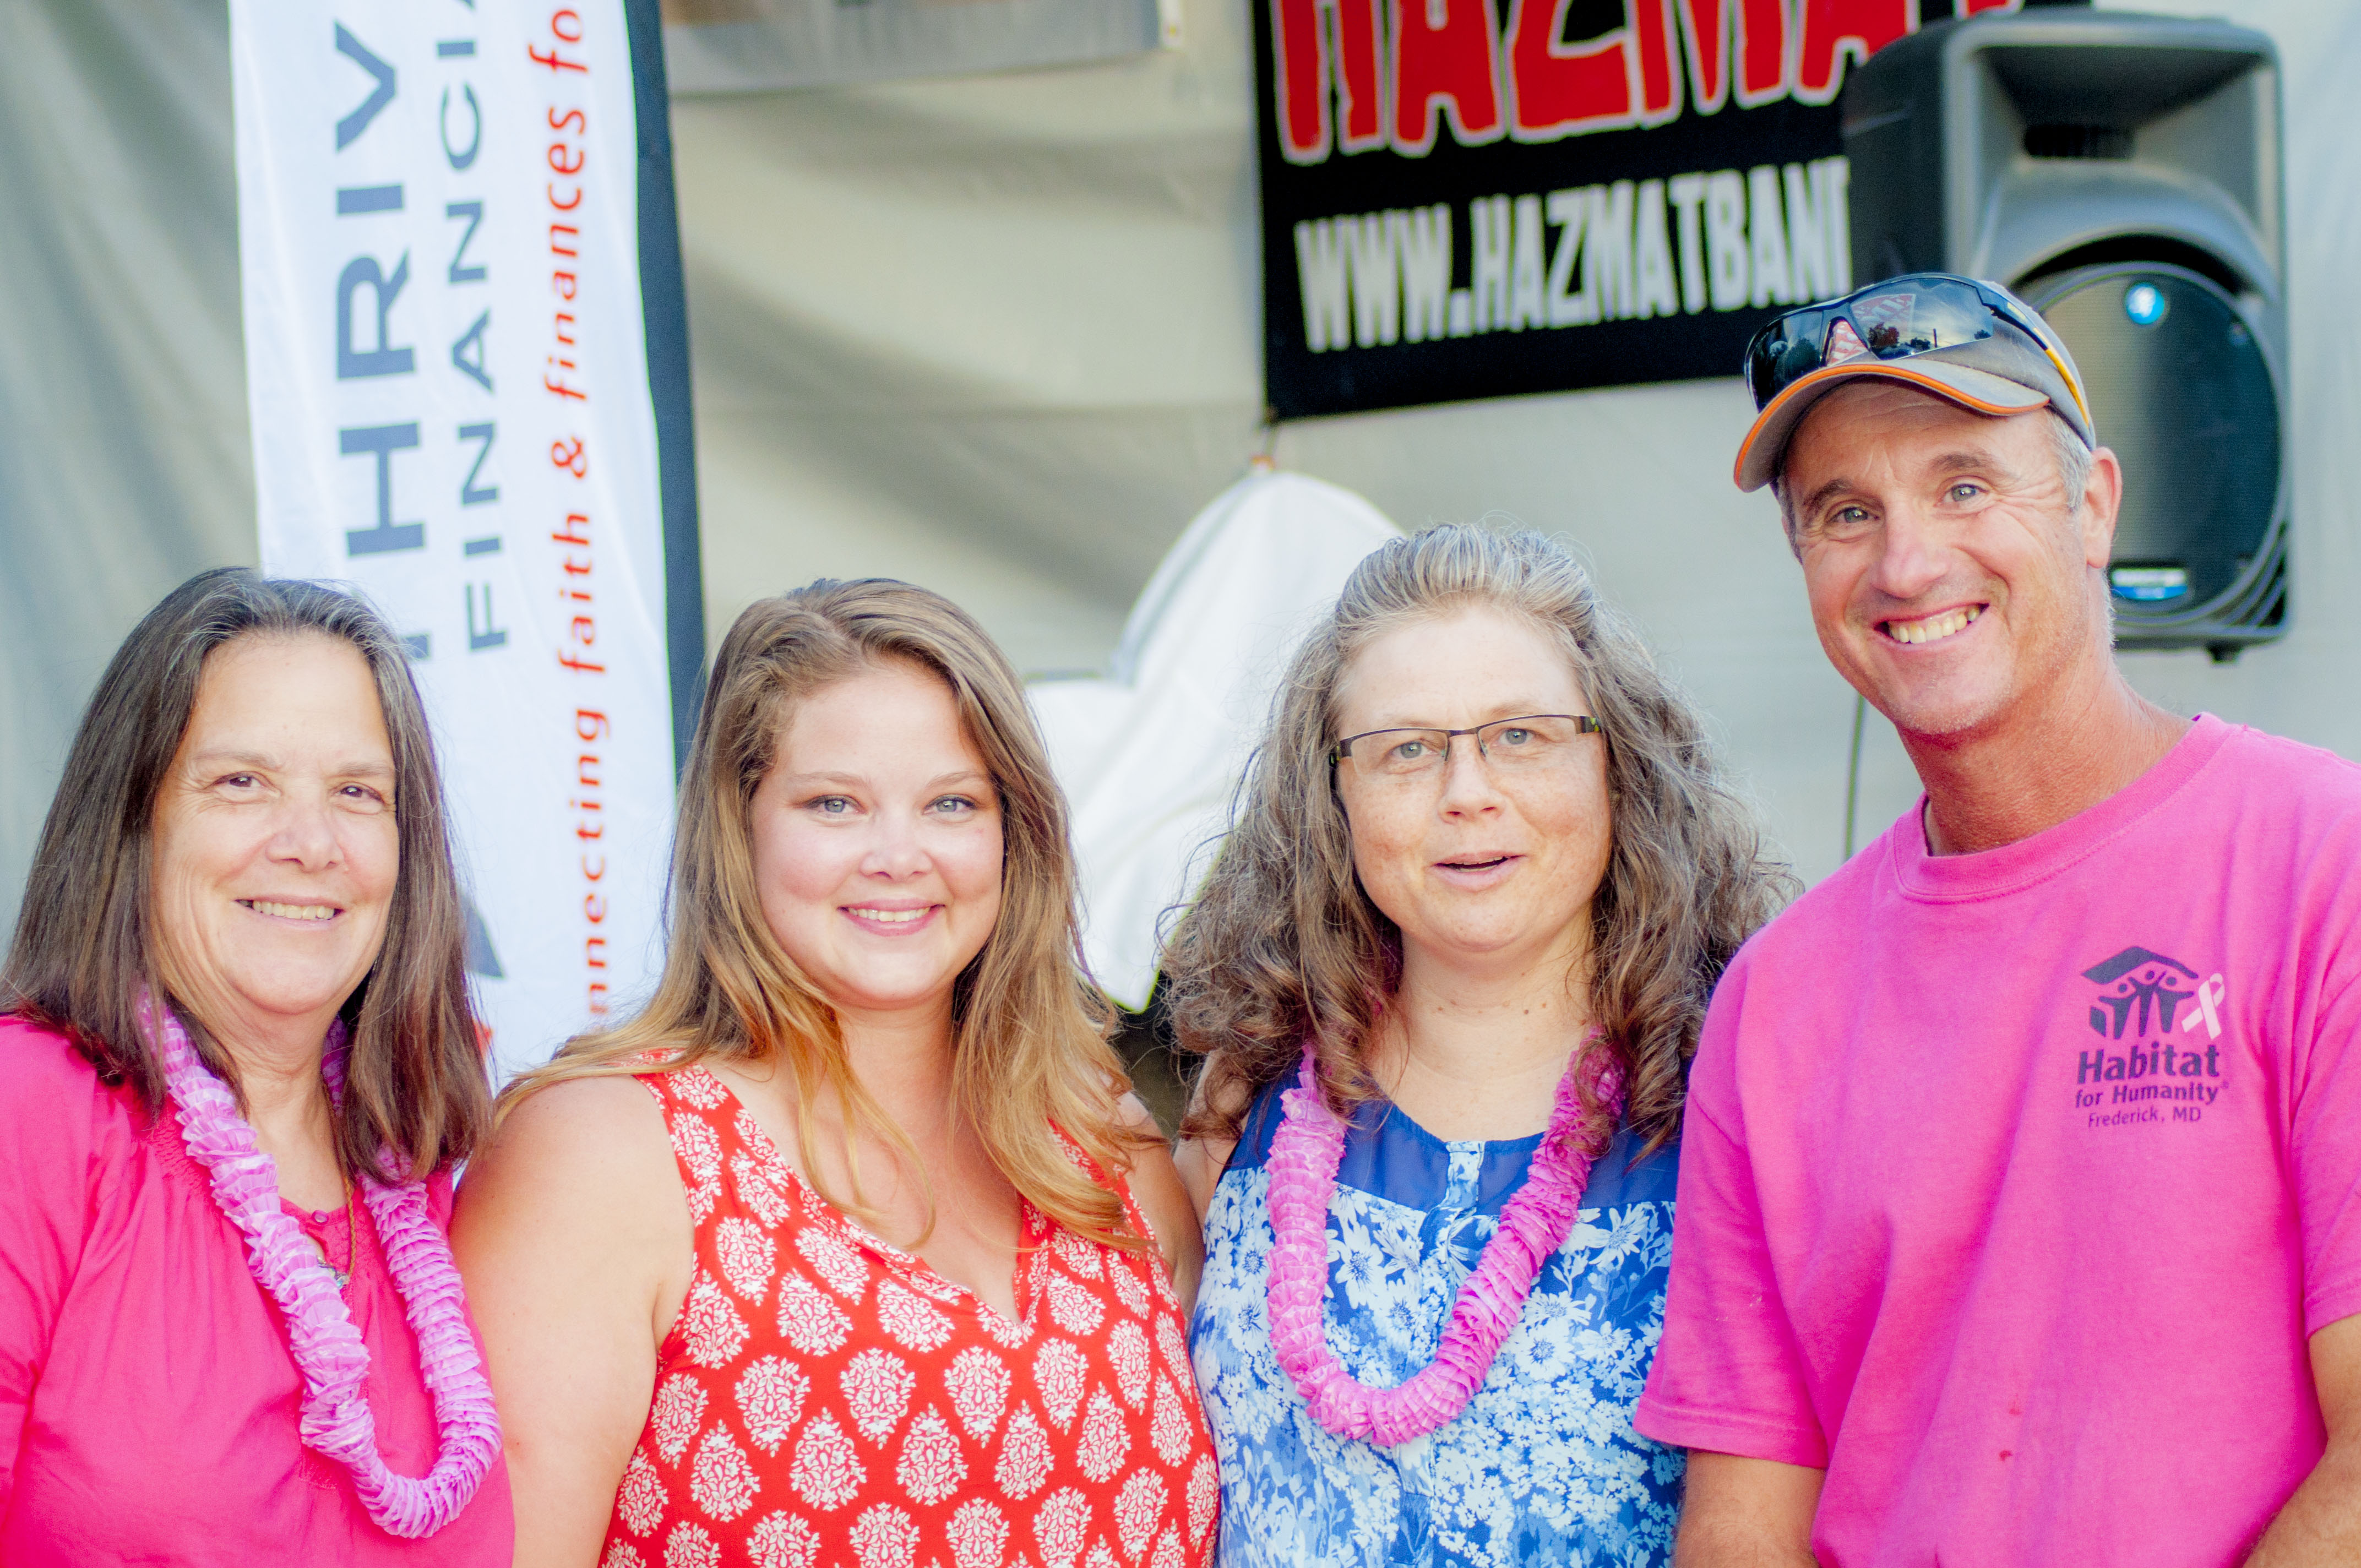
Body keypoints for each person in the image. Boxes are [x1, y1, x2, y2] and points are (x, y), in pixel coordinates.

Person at [1637, 273, 2361, 1565]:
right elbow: (1743, 1526)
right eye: (1844, 511)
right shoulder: (1775, 998)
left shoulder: (2320, 861)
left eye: (1964, 483)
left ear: (2089, 508)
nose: (1906, 561)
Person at [453, 579, 1220, 1568]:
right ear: (741, 827)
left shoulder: (1095, 1127)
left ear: (1011, 834)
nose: (898, 856)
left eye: (951, 802)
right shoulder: (602, 1155)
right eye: (834, 804)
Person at [1164, 525, 1794, 1567]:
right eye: (1406, 748)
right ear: (1334, 798)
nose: (1467, 792)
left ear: (1617, 762)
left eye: (1522, 735)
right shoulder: (1249, 1087)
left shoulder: (1730, 1089)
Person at [0, 569, 511, 1562]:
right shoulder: (30, 1108)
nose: (310, 843)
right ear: (136, 821)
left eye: (358, 794)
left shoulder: (428, 1179)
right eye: (243, 783)